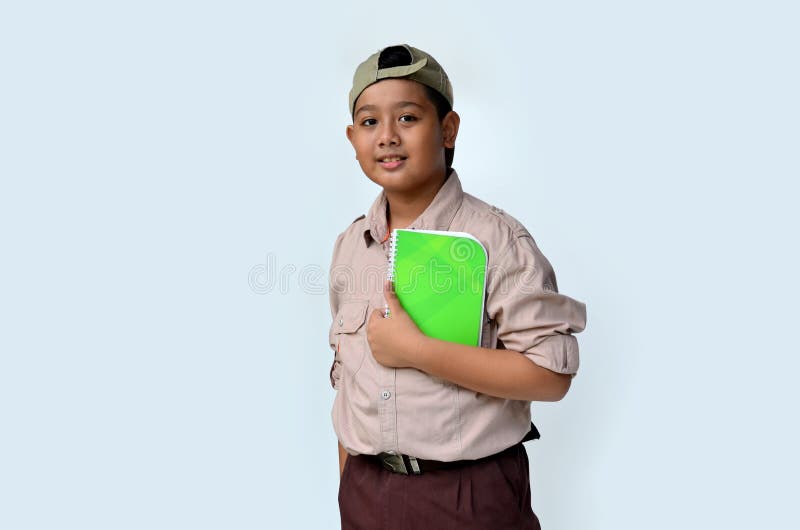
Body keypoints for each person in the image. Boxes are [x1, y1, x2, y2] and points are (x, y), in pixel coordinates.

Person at [328, 44, 587, 530]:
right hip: (365, 492)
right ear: (352, 137)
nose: (386, 136)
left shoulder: (496, 241)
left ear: (447, 130)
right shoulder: (350, 246)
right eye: (368, 122)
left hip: (468, 495)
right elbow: (347, 383)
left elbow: (550, 376)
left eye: (407, 118)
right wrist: (350, 487)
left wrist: (419, 350)